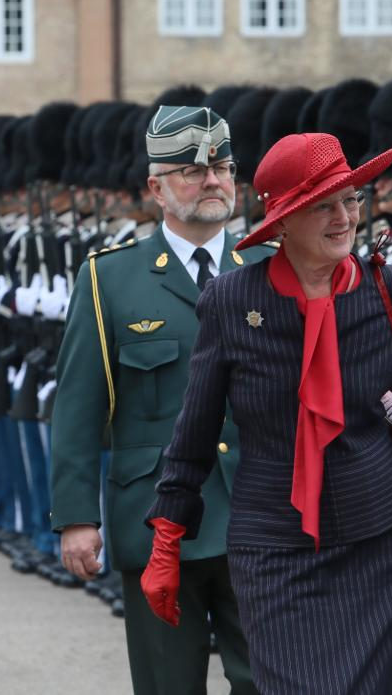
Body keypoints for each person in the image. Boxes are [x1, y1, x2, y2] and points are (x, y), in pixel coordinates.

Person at [142, 132, 392, 694]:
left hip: (382, 540)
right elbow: (194, 430)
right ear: (284, 221)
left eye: (350, 200)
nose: (345, 217)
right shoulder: (231, 300)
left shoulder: (391, 291)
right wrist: (168, 534)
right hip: (273, 544)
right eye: (324, 205)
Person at [50, 104, 272, 694]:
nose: (213, 182)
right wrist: (77, 519)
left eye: (222, 167)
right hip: (156, 521)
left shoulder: (271, 268)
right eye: (192, 171)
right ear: (155, 187)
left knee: (269, 681)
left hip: (259, 514)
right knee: (166, 684)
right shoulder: (110, 278)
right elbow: (78, 404)